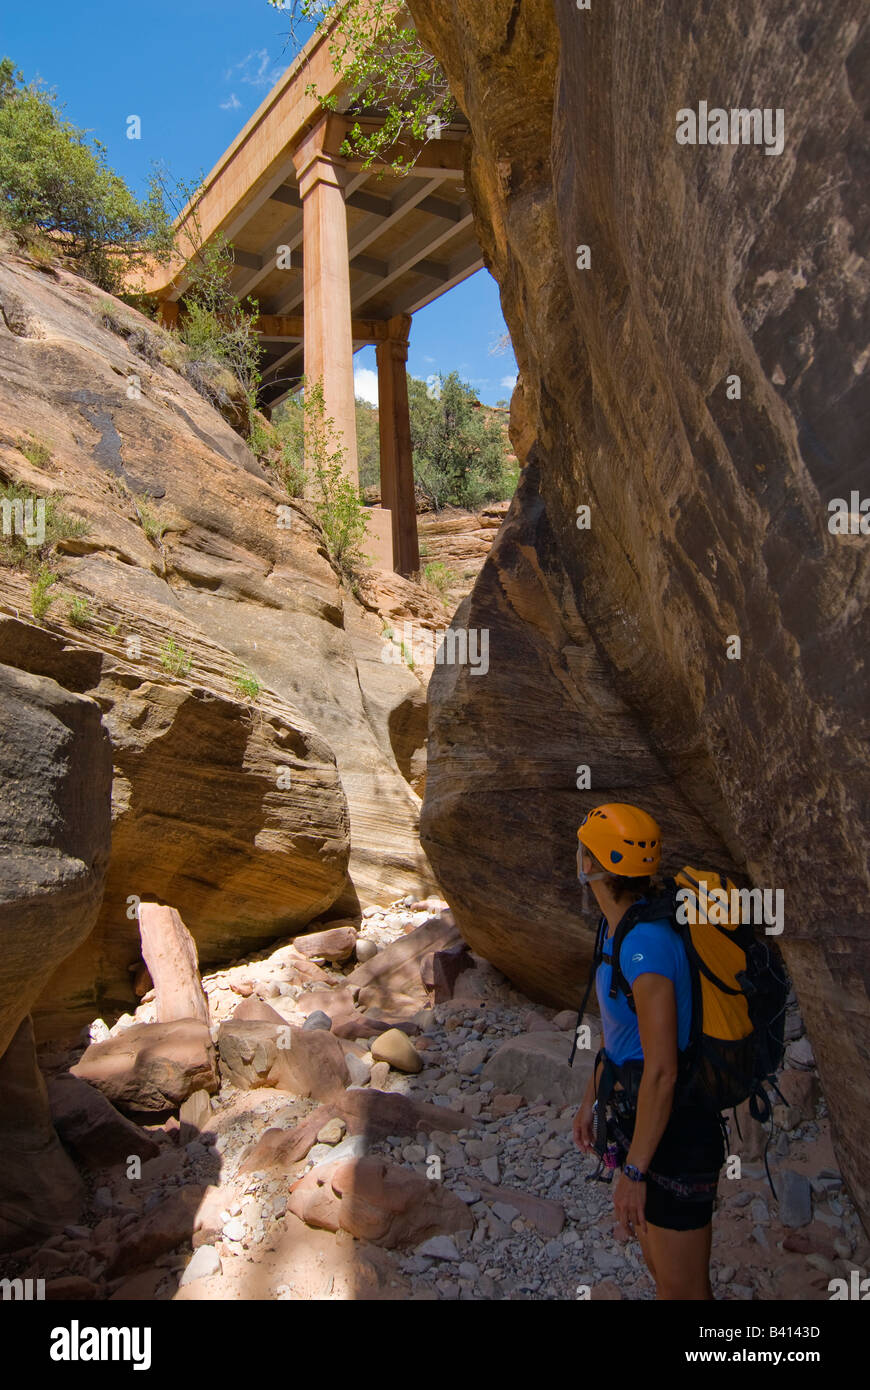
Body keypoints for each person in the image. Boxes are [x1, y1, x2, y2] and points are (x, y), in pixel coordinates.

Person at [571, 803, 726, 1300]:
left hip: (675, 1132)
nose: (575, 855)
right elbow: (621, 1030)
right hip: (639, 1120)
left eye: (582, 848)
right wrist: (591, 1096)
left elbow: (662, 1070)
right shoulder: (616, 928)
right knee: (664, 1278)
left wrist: (634, 1173)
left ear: (592, 865)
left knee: (684, 1291)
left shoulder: (647, 948)